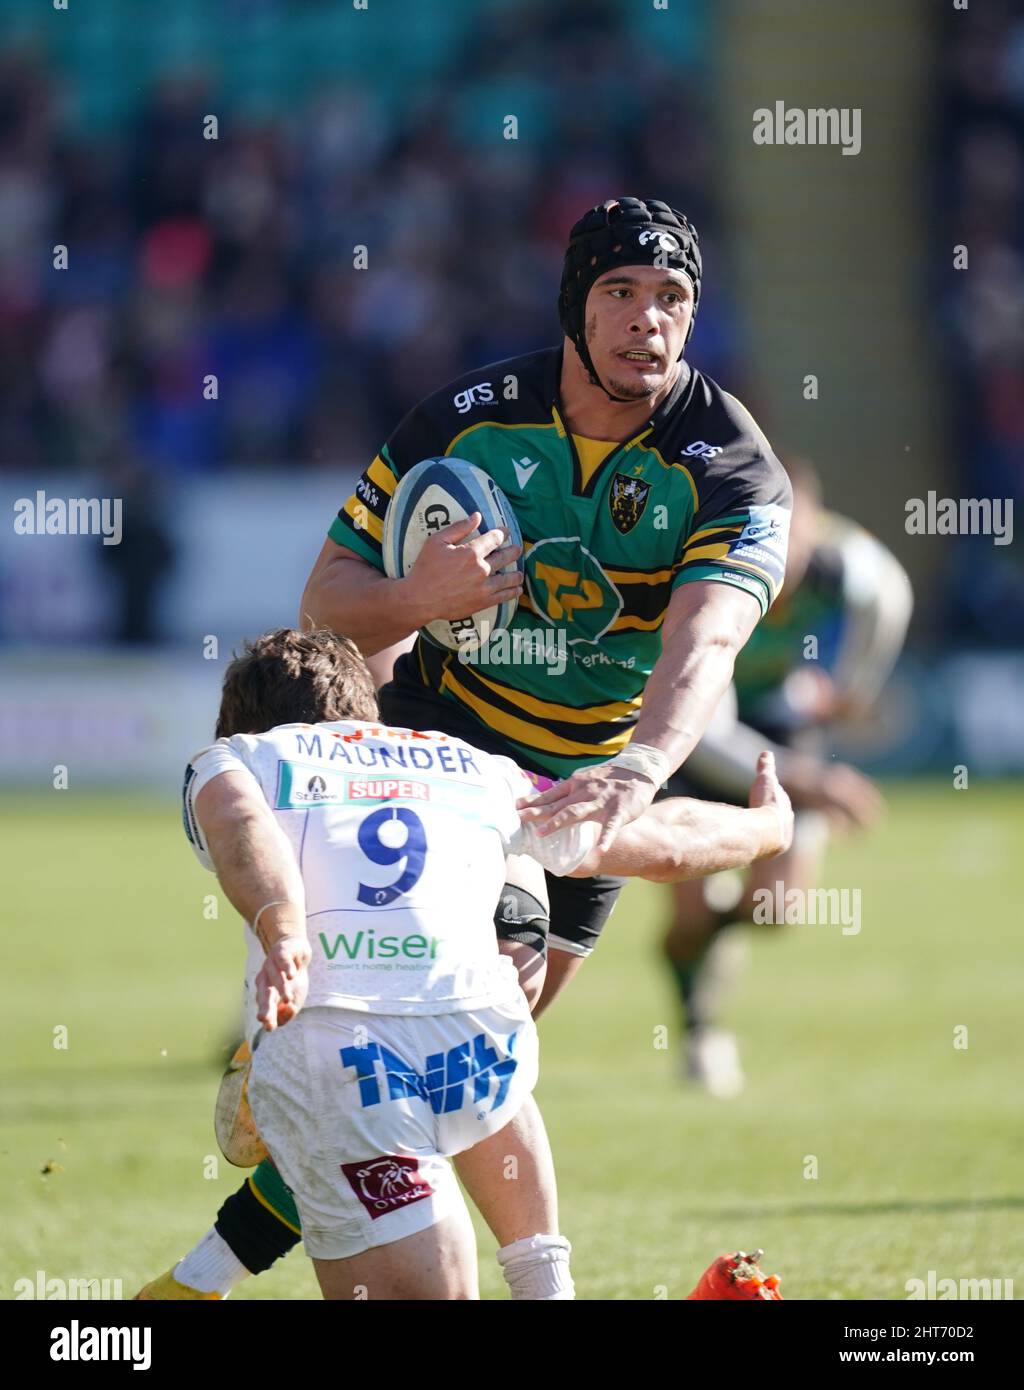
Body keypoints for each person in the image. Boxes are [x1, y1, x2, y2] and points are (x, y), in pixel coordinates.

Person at [138, 627, 793, 1300]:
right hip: (480, 1052)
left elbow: (242, 822)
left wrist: (283, 930)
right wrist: (768, 828)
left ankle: (181, 1293)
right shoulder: (477, 766)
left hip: (340, 1051)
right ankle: (191, 1288)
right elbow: (660, 845)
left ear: (244, 721)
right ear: (369, 711)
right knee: (532, 1258)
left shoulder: (239, 757)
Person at [300, 196, 793, 1019]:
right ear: (574, 305)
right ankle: (304, 1086)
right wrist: (417, 596)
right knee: (491, 975)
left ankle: (311, 1095)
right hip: (445, 738)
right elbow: (323, 607)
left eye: (672, 297)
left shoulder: (735, 466)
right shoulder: (464, 423)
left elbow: (707, 639)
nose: (647, 320)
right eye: (621, 293)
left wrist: (640, 768)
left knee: (500, 1044)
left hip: (594, 776)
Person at [661, 460, 913, 1096]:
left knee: (779, 908)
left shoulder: (853, 572)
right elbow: (708, 738)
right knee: (691, 900)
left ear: (816, 530)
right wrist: (818, 782)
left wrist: (851, 690)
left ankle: (706, 941)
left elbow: (889, 601)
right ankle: (701, 1029)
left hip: (778, 718)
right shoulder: (711, 565)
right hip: (699, 716)